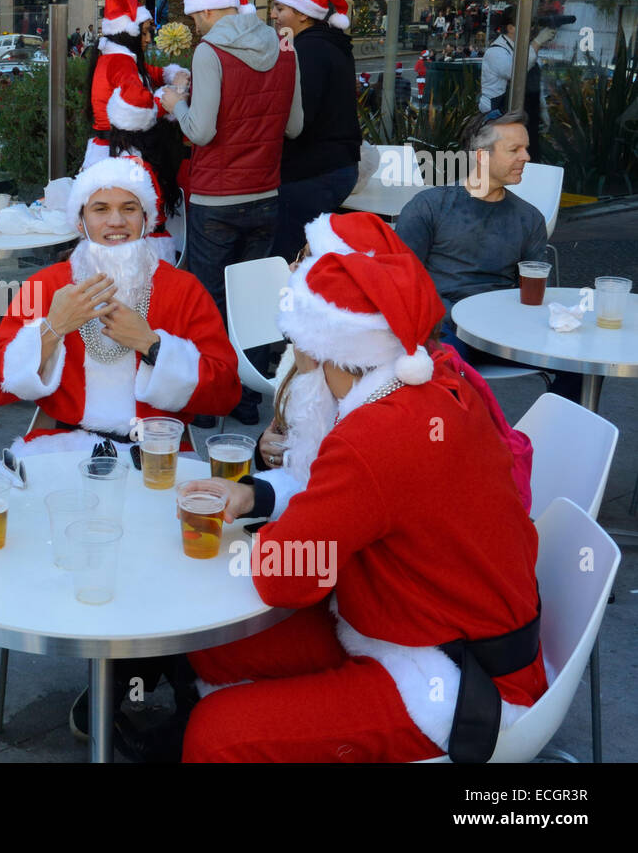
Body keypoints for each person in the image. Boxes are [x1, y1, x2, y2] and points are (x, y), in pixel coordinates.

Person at [177, 248, 546, 762]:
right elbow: (360, 507)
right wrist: (265, 496)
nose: (295, 360)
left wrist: (274, 532)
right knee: (215, 646)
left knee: (215, 735)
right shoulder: (437, 377)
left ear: (326, 347)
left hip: (455, 681)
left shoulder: (370, 437)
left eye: (297, 343)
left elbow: (285, 576)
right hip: (441, 626)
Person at [0, 157, 241, 457]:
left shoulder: (184, 289)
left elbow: (225, 394)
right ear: (81, 221)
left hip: (156, 448)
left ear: (146, 219)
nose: (116, 221)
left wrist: (150, 344)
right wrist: (52, 328)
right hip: (63, 445)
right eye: (100, 209)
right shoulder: (47, 284)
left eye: (128, 208)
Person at [159, 0, 302, 425]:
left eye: (197, 14)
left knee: (208, 300)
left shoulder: (209, 51)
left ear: (209, 10)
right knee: (250, 301)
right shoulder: (284, 45)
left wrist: (174, 103)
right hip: (265, 193)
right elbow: (294, 125)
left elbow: (200, 131)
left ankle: (206, 397)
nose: (195, 23)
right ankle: (245, 396)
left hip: (216, 198)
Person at [395, 110, 582, 401]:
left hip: (500, 330)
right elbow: (399, 281)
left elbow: (531, 296)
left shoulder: (529, 218)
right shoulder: (430, 207)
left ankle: (547, 436)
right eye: (514, 150)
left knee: (575, 363)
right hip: (445, 330)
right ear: (482, 155)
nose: (527, 157)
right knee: (451, 367)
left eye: (526, 148)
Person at [82, 0, 185, 265]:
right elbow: (135, 106)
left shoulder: (116, 57)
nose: (149, 39)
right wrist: (169, 100)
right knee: (129, 227)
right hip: (121, 156)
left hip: (108, 152)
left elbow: (147, 73)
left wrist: (171, 75)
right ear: (130, 33)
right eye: (146, 32)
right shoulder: (121, 61)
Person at [267, 0, 361, 262]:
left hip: (311, 172)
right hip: (335, 167)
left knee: (290, 258)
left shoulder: (307, 51)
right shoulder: (331, 44)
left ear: (304, 14)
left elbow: (297, 116)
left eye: (280, 8)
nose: (273, 15)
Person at [480, 6, 550, 161]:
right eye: (527, 24)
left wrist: (542, 109)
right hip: (499, 117)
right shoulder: (496, 52)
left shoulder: (524, 50)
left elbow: (532, 83)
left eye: (532, 25)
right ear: (510, 28)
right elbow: (514, 72)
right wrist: (537, 43)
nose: (531, 29)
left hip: (524, 116)